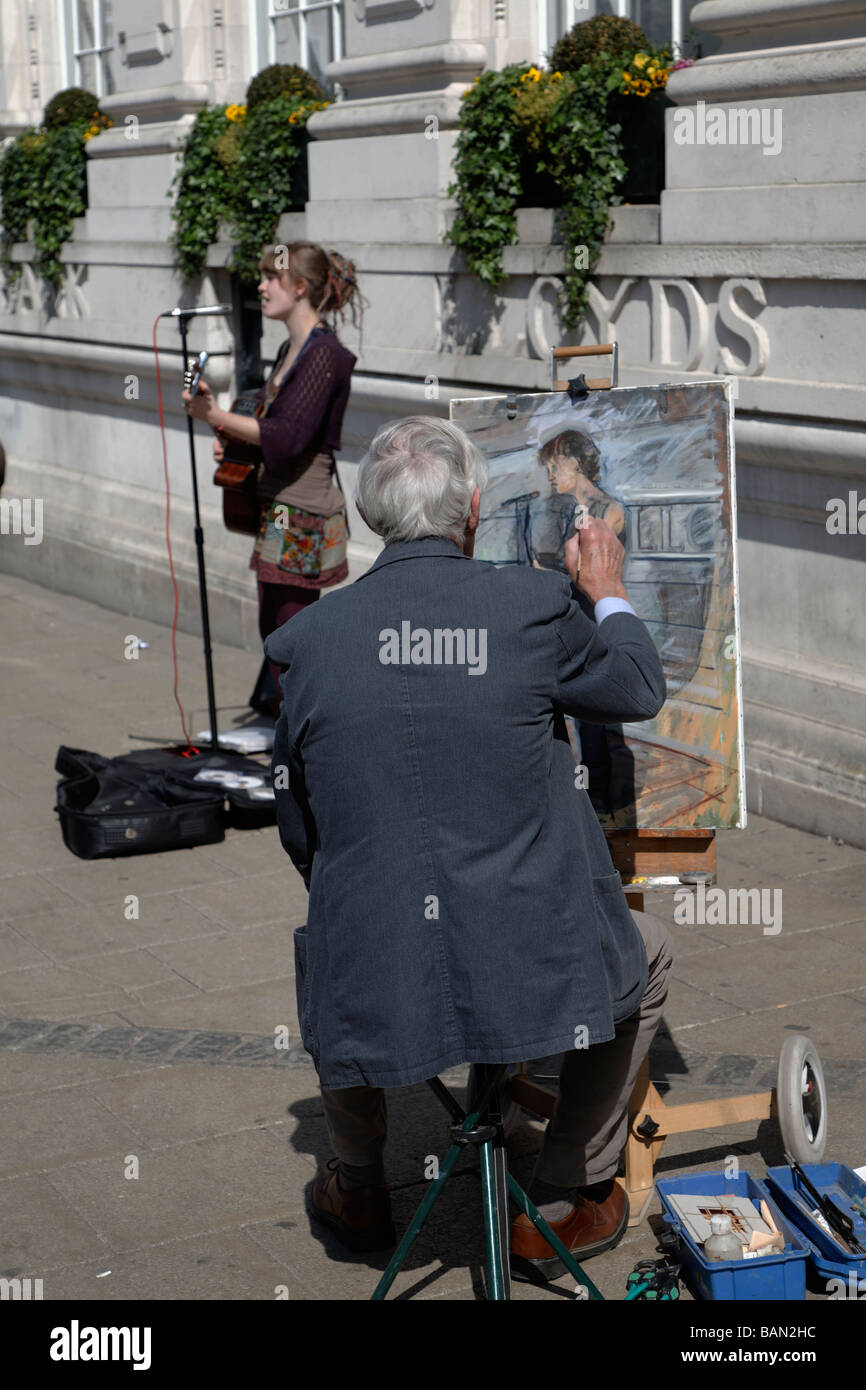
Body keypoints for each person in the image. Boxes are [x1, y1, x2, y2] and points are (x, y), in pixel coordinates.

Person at [265, 416, 674, 1277]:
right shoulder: (530, 606)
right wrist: (606, 588)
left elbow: (299, 825)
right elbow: (636, 685)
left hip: (376, 966)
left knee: (336, 927)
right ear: (475, 510)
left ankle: (361, 1183)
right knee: (644, 954)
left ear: (374, 517)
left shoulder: (301, 644)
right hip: (527, 951)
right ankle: (559, 1193)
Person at [182, 240, 359, 705]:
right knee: (275, 631)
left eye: (269, 278)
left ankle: (310, 751)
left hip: (303, 512)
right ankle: (293, 748)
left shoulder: (325, 355)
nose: (259, 286)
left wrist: (216, 417)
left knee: (291, 637)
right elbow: (265, 421)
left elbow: (288, 434)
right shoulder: (291, 348)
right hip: (277, 507)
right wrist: (235, 439)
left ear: (300, 287)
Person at [530, 425, 626, 571]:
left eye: (554, 468)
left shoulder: (611, 511)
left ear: (575, 464)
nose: (550, 478)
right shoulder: (574, 511)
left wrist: (545, 572)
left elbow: (588, 569)